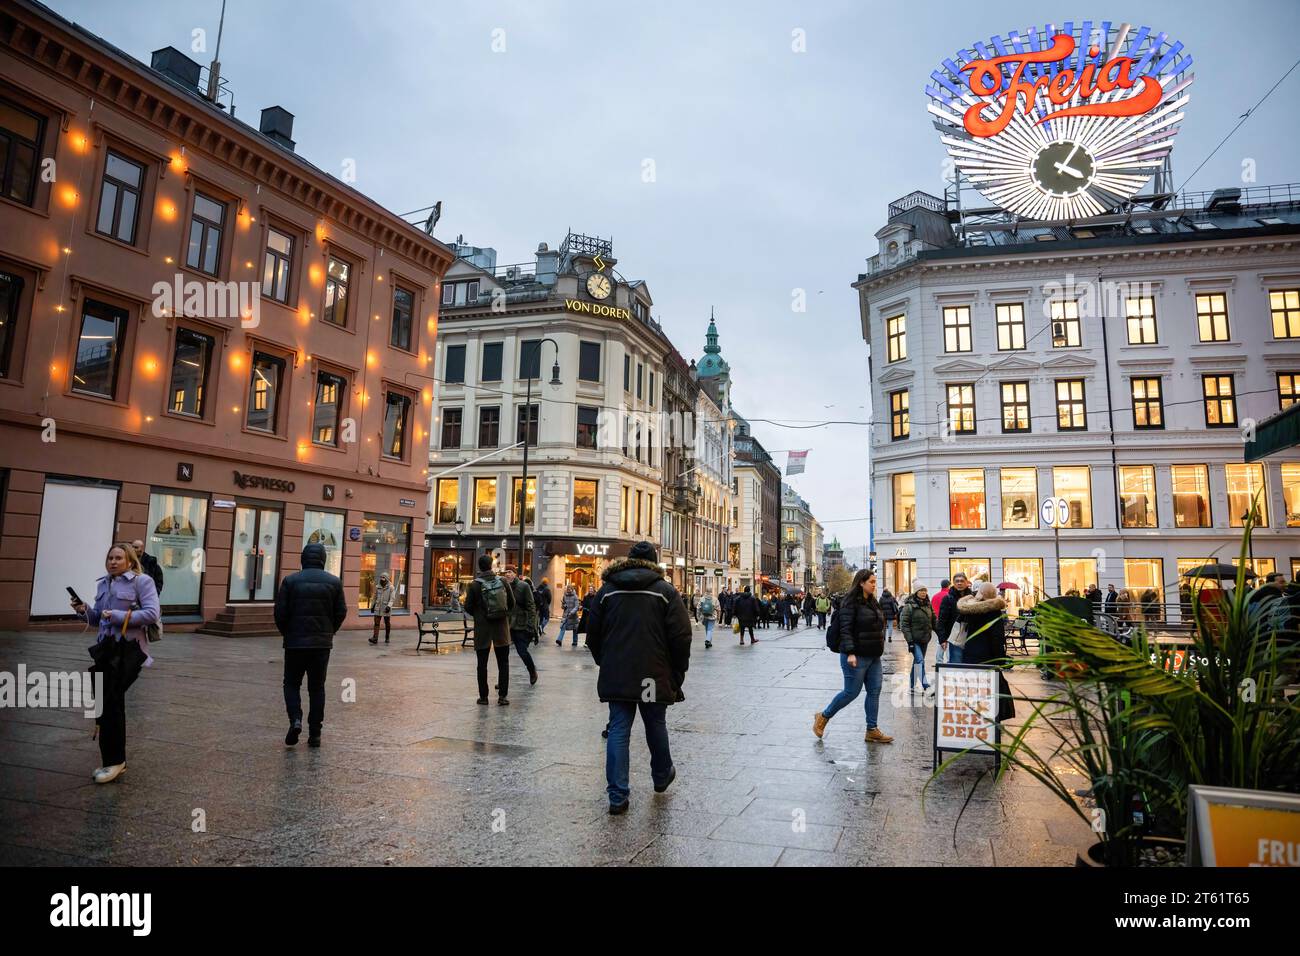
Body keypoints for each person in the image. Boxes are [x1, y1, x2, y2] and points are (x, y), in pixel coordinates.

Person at [585, 541, 692, 815]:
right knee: (654, 723)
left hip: (617, 671)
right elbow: (681, 637)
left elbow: (592, 633)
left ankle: (617, 796)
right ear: (655, 562)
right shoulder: (665, 591)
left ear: (628, 561)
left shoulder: (607, 591)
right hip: (651, 674)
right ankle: (660, 775)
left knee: (619, 728)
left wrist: (604, 661)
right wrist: (677, 673)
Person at [72, 543, 159, 783]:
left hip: (129, 651)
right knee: (105, 702)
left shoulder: (142, 582)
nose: (112, 561)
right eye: (110, 557)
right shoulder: (104, 582)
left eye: (118, 557)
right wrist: (83, 611)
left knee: (110, 701)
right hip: (105, 649)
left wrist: (118, 616)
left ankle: (115, 761)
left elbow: (152, 613)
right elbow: (98, 617)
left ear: (130, 561)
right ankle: (113, 760)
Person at [274, 543, 347, 748]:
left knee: (291, 683)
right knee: (316, 688)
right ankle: (315, 734)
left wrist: (288, 633)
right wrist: (329, 632)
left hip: (295, 644)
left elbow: (280, 613)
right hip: (321, 646)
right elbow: (341, 612)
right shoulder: (334, 582)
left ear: (303, 558)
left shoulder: (290, 581)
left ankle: (295, 719)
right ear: (323, 559)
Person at [813, 569, 892, 744]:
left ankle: (872, 730)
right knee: (851, 693)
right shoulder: (850, 603)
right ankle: (823, 716)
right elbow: (845, 629)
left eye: (875, 582)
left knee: (874, 691)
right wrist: (850, 652)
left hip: (873, 656)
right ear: (861, 583)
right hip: (855, 656)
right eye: (871, 581)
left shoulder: (873, 602)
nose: (874, 584)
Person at [464, 554, 515, 705]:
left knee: (482, 664)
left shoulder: (474, 585)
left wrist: (480, 615)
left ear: (479, 567)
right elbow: (511, 603)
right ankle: (502, 697)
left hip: (483, 628)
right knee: (503, 663)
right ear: (491, 565)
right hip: (501, 628)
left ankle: (484, 697)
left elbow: (467, 607)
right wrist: (502, 615)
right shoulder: (503, 581)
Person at [957, 582, 1007, 667]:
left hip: (970, 651)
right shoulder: (994, 610)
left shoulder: (970, 609)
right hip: (988, 654)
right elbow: (997, 636)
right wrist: (1000, 657)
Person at [503, 567, 538, 686]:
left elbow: (531, 606)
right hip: (507, 624)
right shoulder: (504, 586)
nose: (507, 574)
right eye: (506, 572)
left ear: (515, 574)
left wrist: (531, 625)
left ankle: (532, 670)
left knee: (522, 651)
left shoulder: (523, 586)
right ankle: (502, 680)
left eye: (510, 572)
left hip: (520, 624)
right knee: (503, 653)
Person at [898, 582, 934, 692]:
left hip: (925, 639)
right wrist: (910, 642)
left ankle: (912, 685)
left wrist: (942, 636)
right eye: (921, 590)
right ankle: (925, 684)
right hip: (914, 640)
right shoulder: (909, 606)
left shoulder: (928, 605)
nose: (923, 593)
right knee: (920, 660)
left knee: (917, 662)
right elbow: (904, 625)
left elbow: (934, 620)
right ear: (916, 592)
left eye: (925, 590)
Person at [936, 573, 972, 664]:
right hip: (955, 637)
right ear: (953, 583)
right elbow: (941, 620)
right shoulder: (948, 598)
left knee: (970, 665)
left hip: (971, 636)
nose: (959, 583)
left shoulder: (972, 598)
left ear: (966, 582)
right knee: (956, 664)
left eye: (962, 581)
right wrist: (942, 639)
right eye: (957, 581)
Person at [367, 573, 395, 645]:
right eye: (381, 577)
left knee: (387, 623)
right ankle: (375, 638)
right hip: (378, 607)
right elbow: (374, 597)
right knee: (376, 623)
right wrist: (372, 606)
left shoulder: (391, 587)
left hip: (386, 608)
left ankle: (387, 637)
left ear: (387, 579)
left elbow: (392, 599)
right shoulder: (377, 587)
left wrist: (389, 606)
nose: (382, 579)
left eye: (384, 577)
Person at [534, 578, 552, 642]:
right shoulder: (547, 589)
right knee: (547, 618)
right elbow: (550, 598)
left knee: (540, 617)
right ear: (547, 582)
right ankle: (541, 627)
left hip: (539, 606)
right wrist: (547, 603)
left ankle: (540, 628)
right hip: (545, 606)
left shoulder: (537, 588)